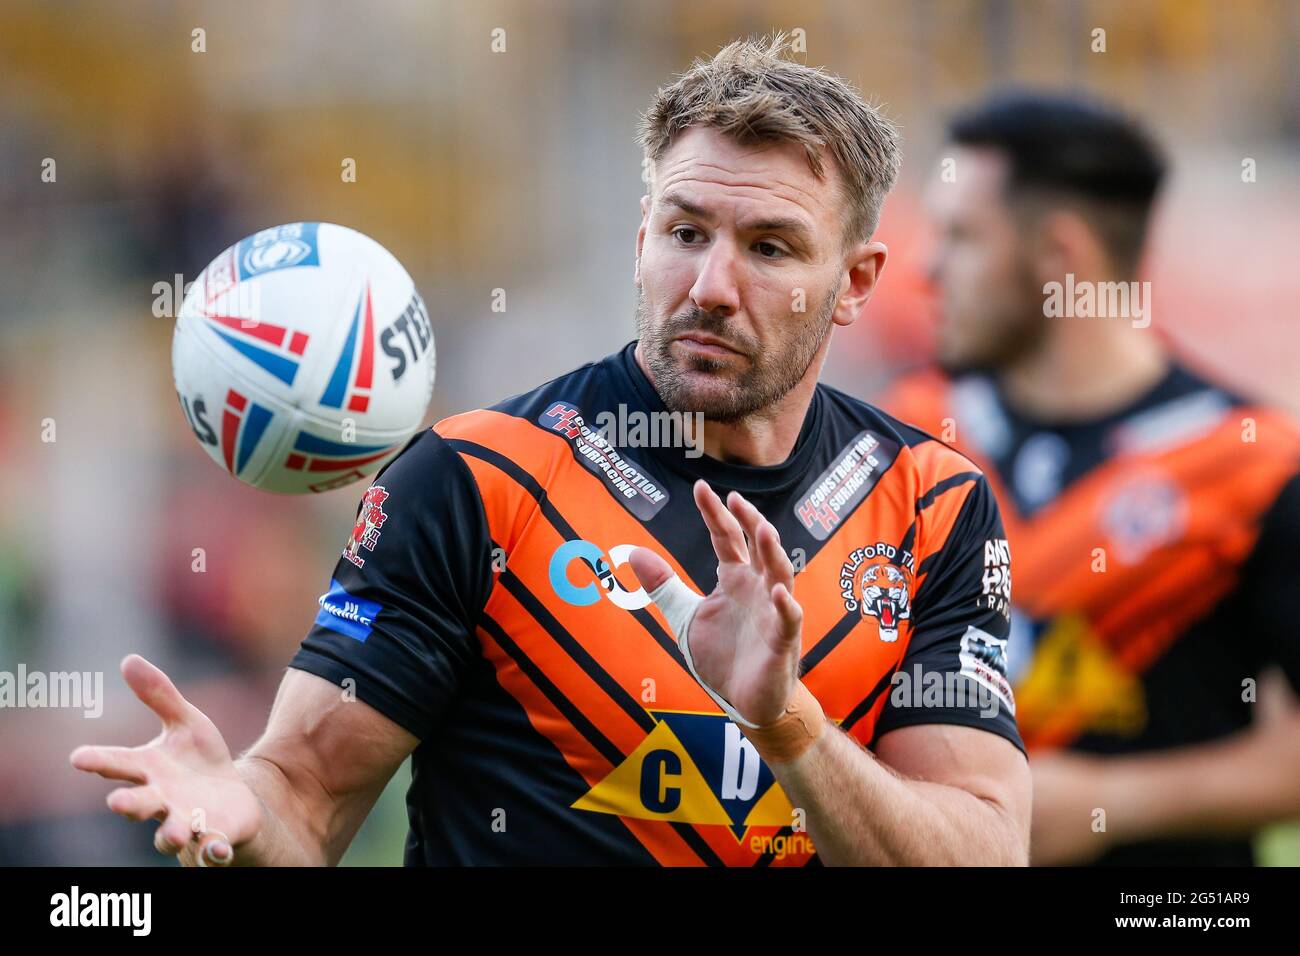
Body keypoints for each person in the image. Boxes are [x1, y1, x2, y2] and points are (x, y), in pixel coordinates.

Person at [71, 35, 1029, 867]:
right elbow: (303, 796)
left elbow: (982, 849)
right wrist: (243, 815)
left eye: (771, 248)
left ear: (855, 281)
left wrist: (786, 726)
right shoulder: (474, 482)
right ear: (641, 237)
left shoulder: (931, 503)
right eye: (685, 232)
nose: (709, 286)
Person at [879, 90, 1300, 865]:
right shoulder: (902, 437)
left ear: (1060, 256)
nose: (928, 267)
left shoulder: (1251, 462)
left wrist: (1116, 803)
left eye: (961, 236)